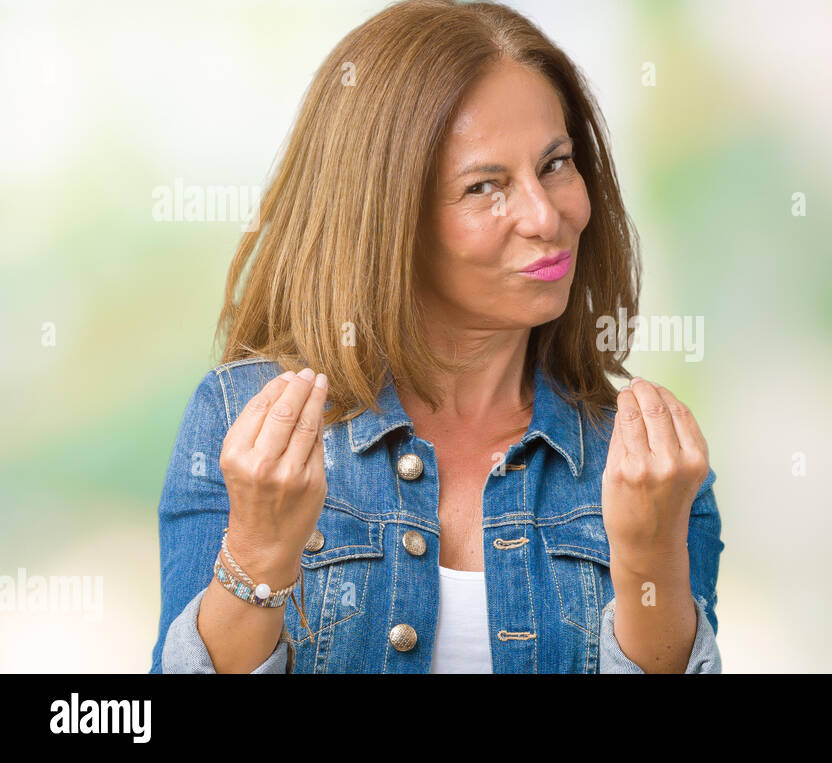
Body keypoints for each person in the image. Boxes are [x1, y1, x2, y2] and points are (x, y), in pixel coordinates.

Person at [148, 0, 722, 674]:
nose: (546, 215)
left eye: (556, 164)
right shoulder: (235, 422)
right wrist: (257, 556)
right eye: (486, 186)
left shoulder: (649, 467)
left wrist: (652, 561)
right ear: (388, 220)